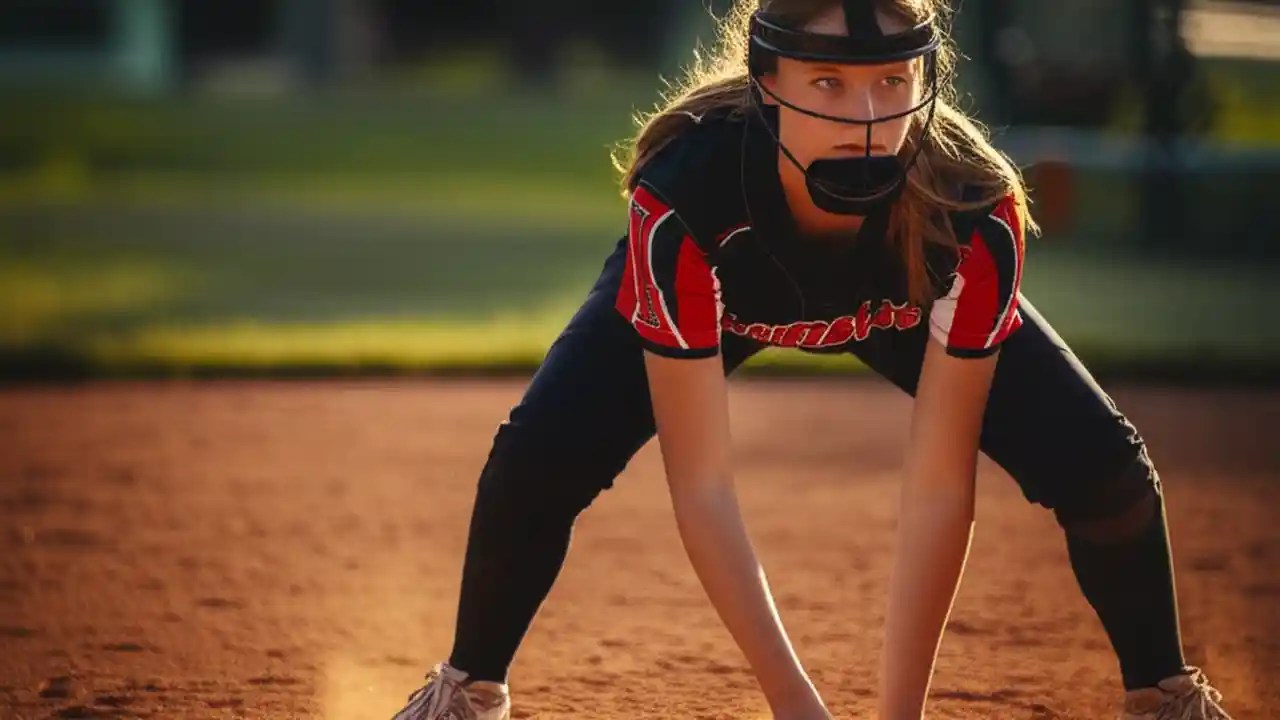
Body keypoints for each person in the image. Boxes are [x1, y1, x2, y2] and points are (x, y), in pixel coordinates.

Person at [391, 1, 1235, 718]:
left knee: (1107, 471)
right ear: (768, 82)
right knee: (537, 456)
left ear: (926, 80)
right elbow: (705, 487)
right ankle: (467, 689)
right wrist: (799, 707)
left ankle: (1164, 697)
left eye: (892, 83)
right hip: (721, 287)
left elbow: (940, 488)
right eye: (827, 83)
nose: (866, 117)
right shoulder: (687, 197)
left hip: (903, 292)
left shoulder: (970, 209)